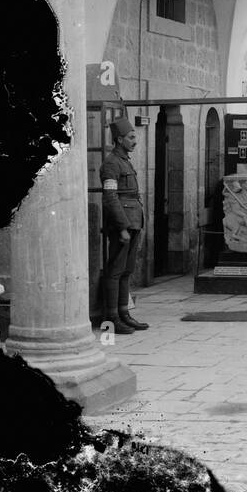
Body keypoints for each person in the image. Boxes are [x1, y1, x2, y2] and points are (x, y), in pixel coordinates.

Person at [99, 116, 148, 333]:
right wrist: (121, 227)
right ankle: (112, 318)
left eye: (134, 136)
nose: (134, 141)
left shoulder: (124, 160)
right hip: (124, 225)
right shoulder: (111, 163)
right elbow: (110, 198)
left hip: (134, 222)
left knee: (127, 270)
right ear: (120, 140)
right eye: (131, 137)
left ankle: (124, 313)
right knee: (115, 271)